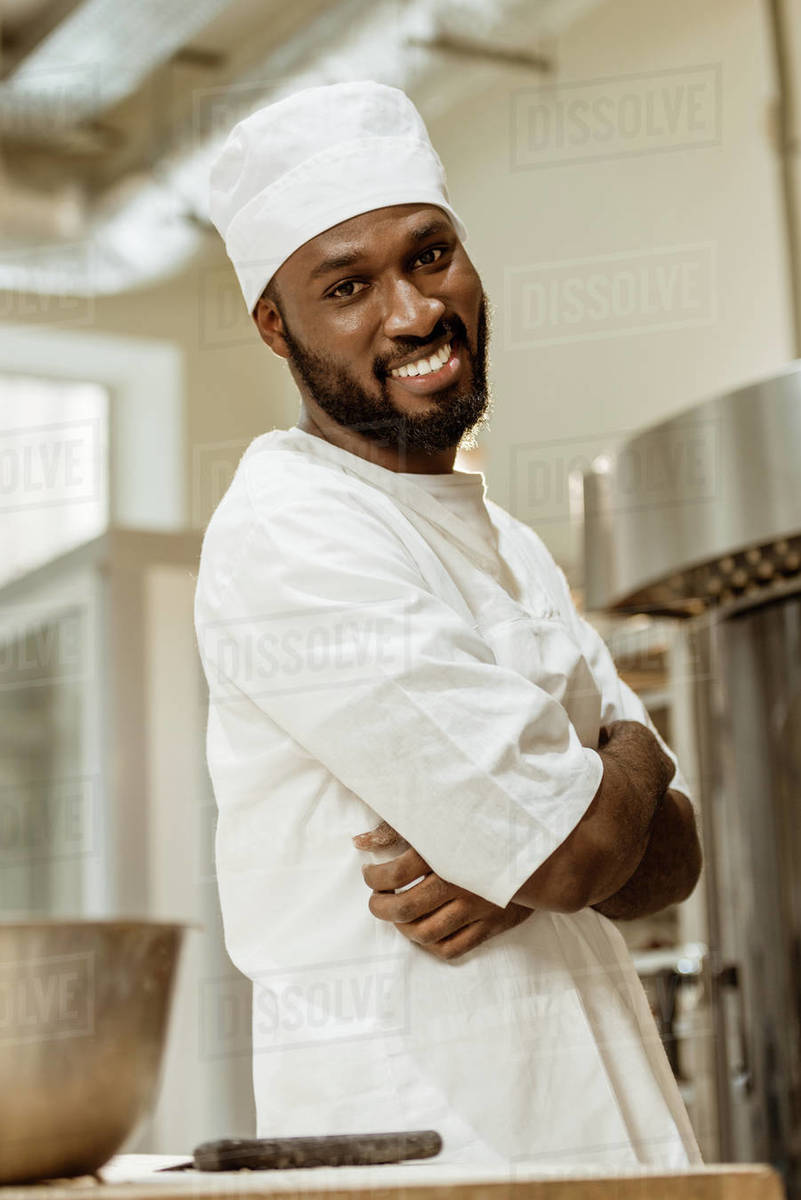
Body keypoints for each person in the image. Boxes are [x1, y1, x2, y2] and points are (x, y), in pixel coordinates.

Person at [195, 79, 703, 1168]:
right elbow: (580, 855)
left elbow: (670, 864)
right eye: (349, 285)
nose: (416, 312)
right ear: (275, 326)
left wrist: (576, 817)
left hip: (606, 1140)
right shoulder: (294, 535)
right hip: (437, 1153)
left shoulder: (509, 546)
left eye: (431, 256)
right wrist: (610, 783)